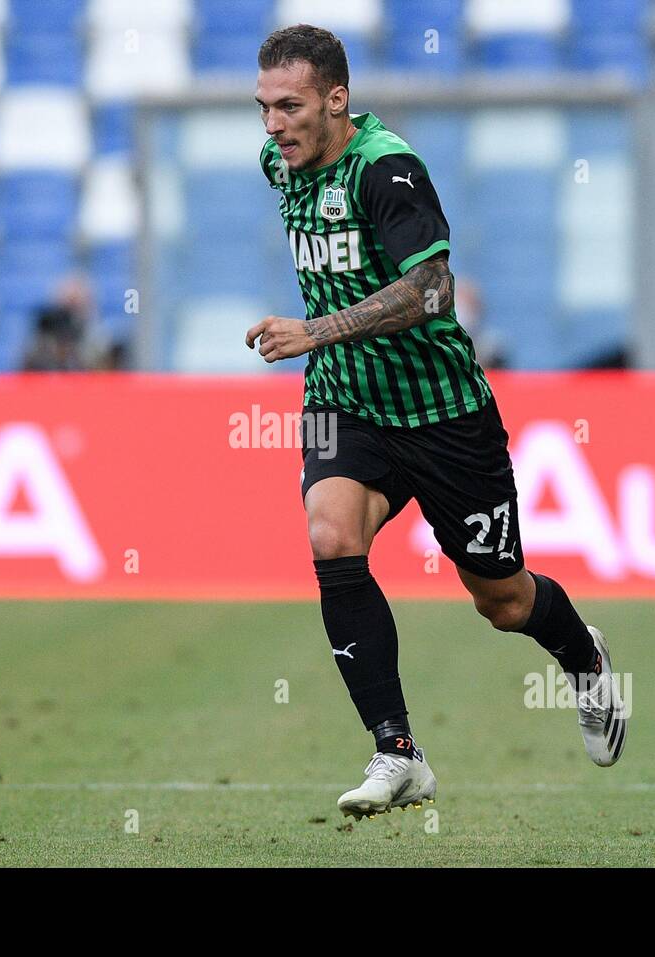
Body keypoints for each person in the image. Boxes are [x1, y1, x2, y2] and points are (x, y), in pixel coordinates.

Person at [244, 25, 627, 820]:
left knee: (504, 601)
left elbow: (432, 291)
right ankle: (397, 751)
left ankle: (585, 656)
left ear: (337, 100)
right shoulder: (278, 164)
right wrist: (321, 349)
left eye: (290, 106)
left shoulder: (389, 168)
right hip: (344, 399)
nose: (273, 125)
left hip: (444, 412)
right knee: (330, 535)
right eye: (264, 108)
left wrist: (312, 330)